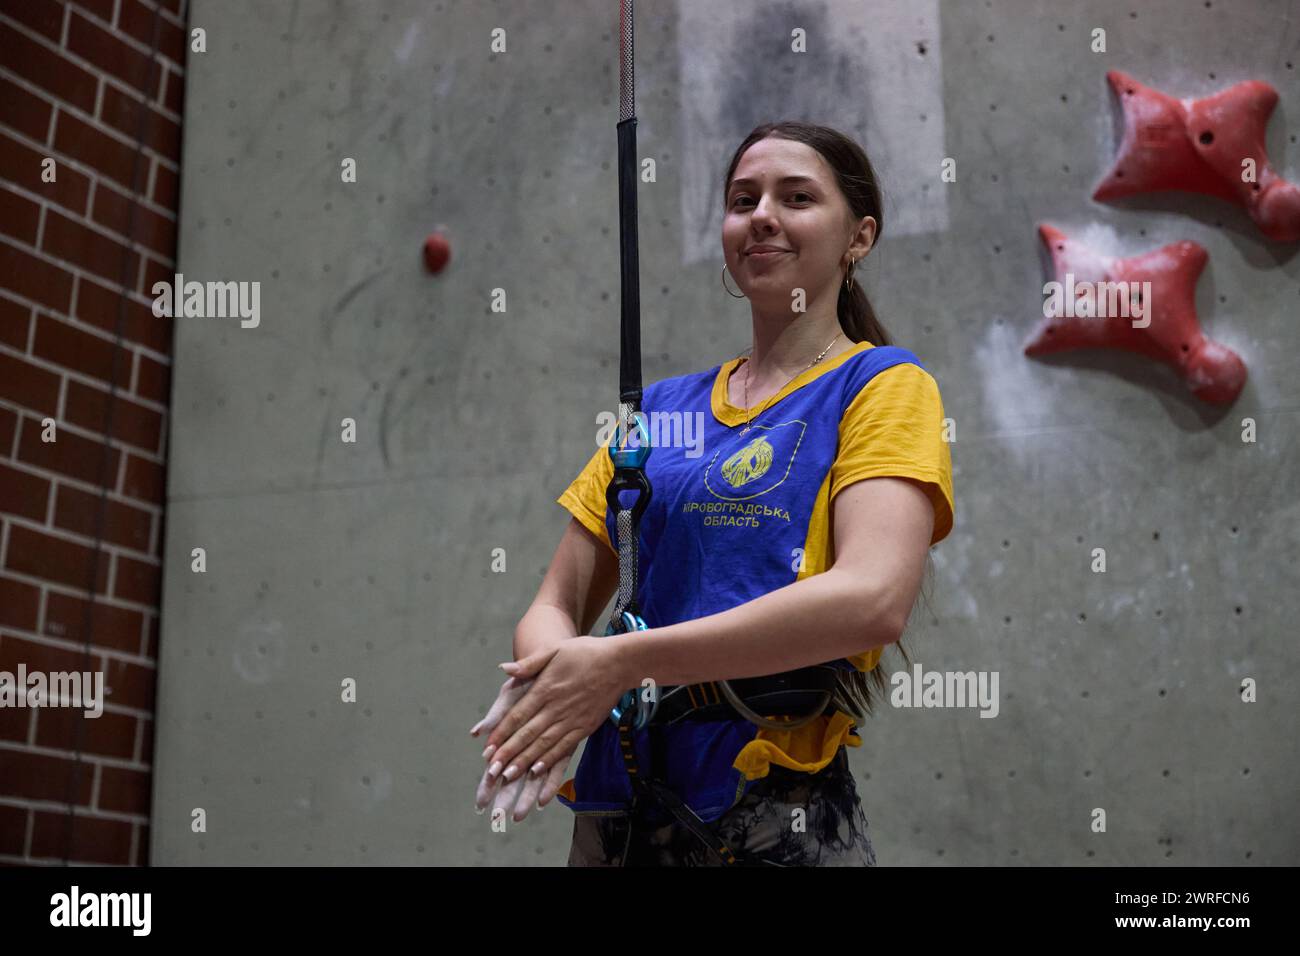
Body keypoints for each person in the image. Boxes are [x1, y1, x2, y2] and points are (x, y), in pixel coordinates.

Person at [470, 120, 955, 866]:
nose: (761, 214)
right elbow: (555, 603)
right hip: (621, 804)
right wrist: (556, 688)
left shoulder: (881, 386)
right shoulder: (662, 411)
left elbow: (872, 600)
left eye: (796, 197)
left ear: (858, 237)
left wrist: (624, 664)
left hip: (768, 812)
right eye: (742, 199)